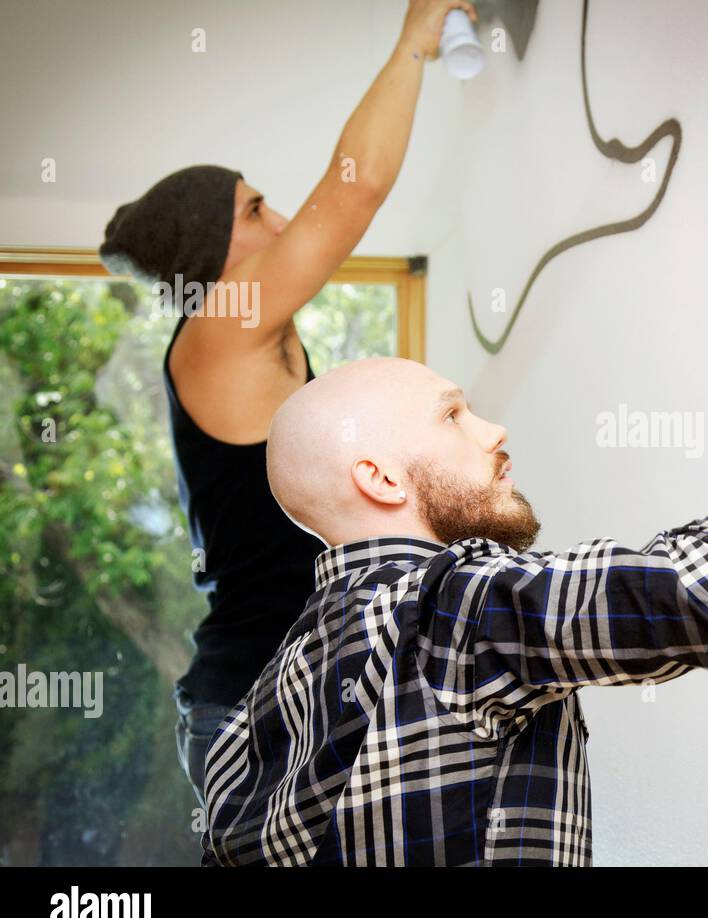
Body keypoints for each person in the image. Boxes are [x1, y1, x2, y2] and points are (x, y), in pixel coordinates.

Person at [200, 356, 708, 866]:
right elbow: (693, 596)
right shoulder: (444, 607)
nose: (493, 431)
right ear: (381, 479)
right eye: (454, 414)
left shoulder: (257, 706)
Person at [94, 1, 478, 809]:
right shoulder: (215, 334)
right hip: (252, 705)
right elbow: (356, 190)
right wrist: (416, 38)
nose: (279, 220)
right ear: (213, 261)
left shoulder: (262, 350)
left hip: (296, 694)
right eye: (254, 210)